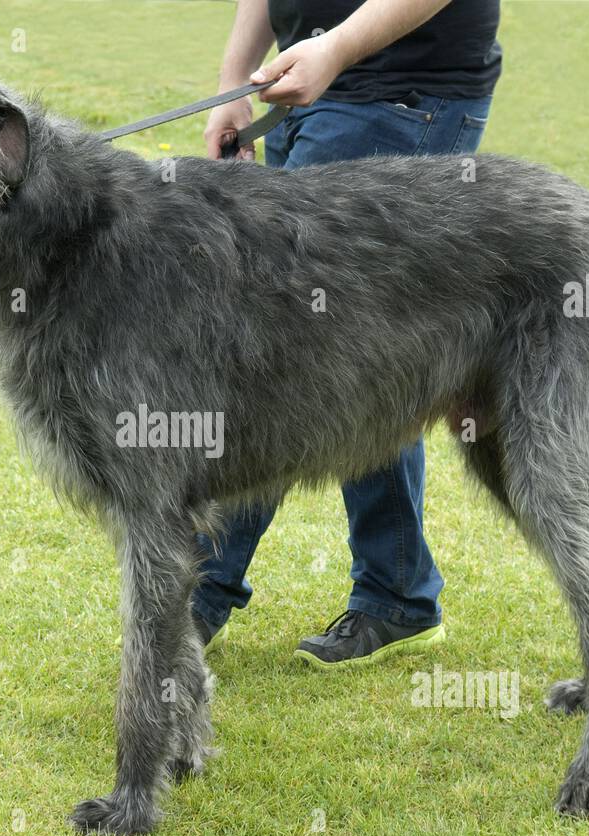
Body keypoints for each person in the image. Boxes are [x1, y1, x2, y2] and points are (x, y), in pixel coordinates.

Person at [195, 0, 502, 668]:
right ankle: (398, 593)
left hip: (399, 96)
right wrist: (235, 81)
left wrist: (335, 48)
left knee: (286, 361)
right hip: (309, 86)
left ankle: (194, 596)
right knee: (362, 357)